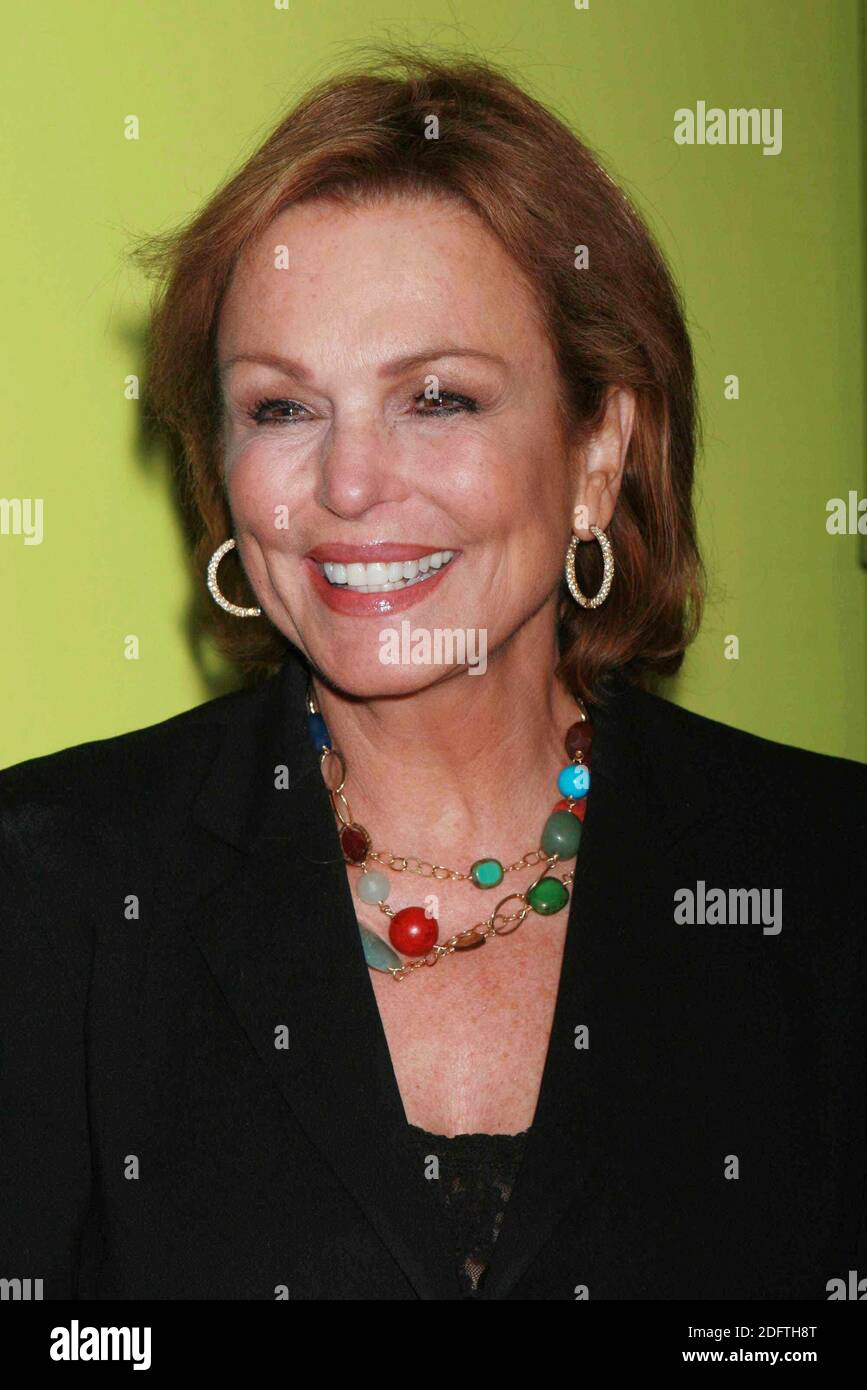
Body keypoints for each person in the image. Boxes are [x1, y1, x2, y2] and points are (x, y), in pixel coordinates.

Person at [1, 50, 864, 1301]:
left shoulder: (827, 880)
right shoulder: (51, 890)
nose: (348, 487)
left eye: (438, 398)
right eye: (283, 409)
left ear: (597, 450)